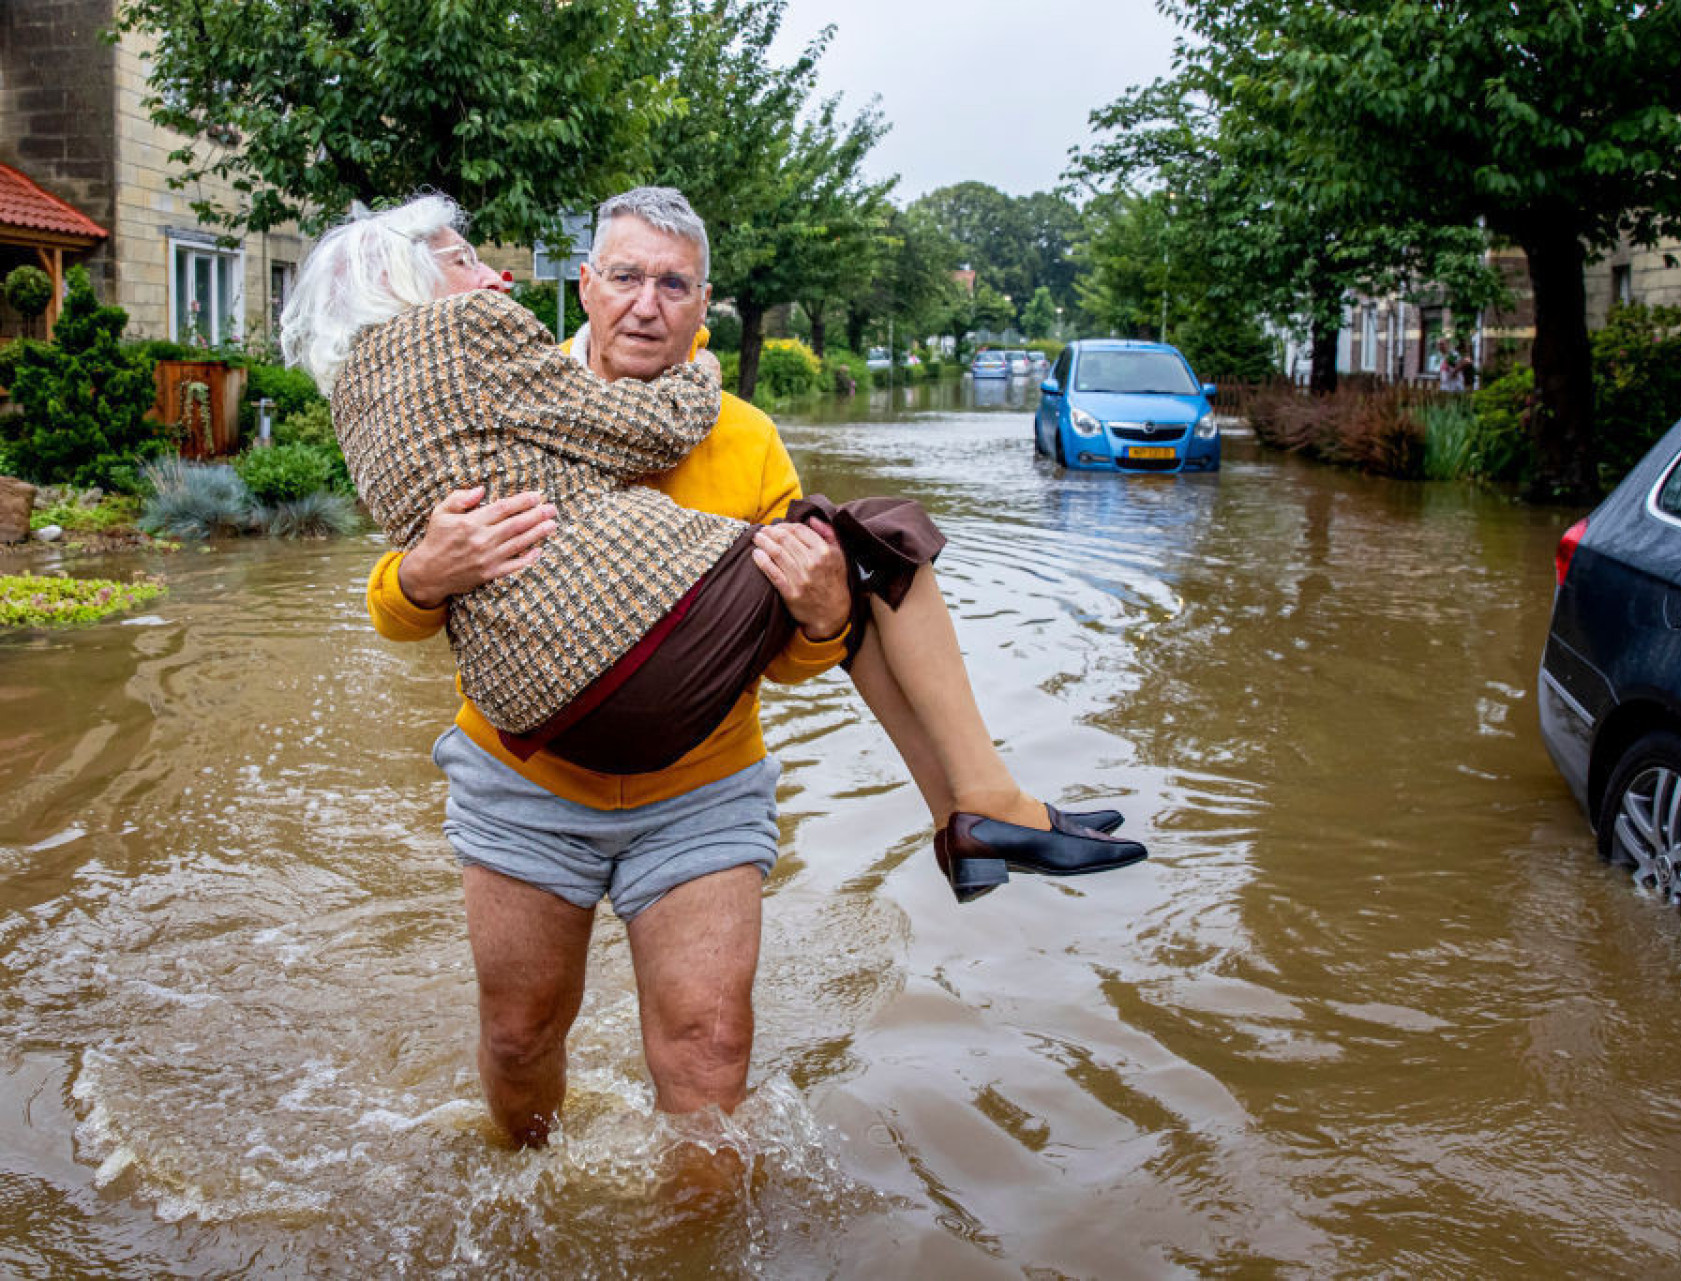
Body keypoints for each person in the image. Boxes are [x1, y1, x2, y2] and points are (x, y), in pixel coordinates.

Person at [282, 189, 1144, 1147]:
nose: (646, 303)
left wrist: (819, 619)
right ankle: (977, 811)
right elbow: (392, 613)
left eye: (673, 284)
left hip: (700, 791)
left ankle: (690, 1235)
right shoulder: (495, 378)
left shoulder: (747, 435)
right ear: (586, 286)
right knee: (519, 1037)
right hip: (525, 784)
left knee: (709, 1046)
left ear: (704, 307)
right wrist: (423, 572)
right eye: (625, 278)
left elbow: (782, 662)